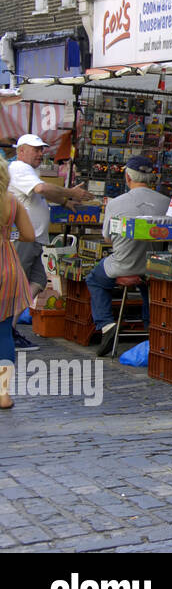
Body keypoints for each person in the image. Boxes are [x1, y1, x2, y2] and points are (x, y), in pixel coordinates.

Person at [9, 134, 93, 351]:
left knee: (36, 281)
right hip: (25, 238)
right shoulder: (19, 168)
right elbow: (41, 189)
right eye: (35, 149)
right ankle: (7, 330)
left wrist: (65, 201)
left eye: (41, 149)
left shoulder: (28, 171)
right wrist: (69, 192)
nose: (40, 153)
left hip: (34, 238)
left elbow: (40, 195)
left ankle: (9, 327)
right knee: (19, 285)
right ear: (21, 151)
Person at [88, 156, 171, 356]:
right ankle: (152, 328)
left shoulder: (116, 203)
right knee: (149, 287)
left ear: (127, 177)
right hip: (156, 266)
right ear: (152, 178)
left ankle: (107, 325)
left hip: (123, 265)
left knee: (94, 279)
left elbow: (107, 238)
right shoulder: (167, 202)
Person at [0, 160, 38, 409]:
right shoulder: (11, 201)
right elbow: (29, 235)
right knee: (3, 331)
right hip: (6, 267)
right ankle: (3, 394)